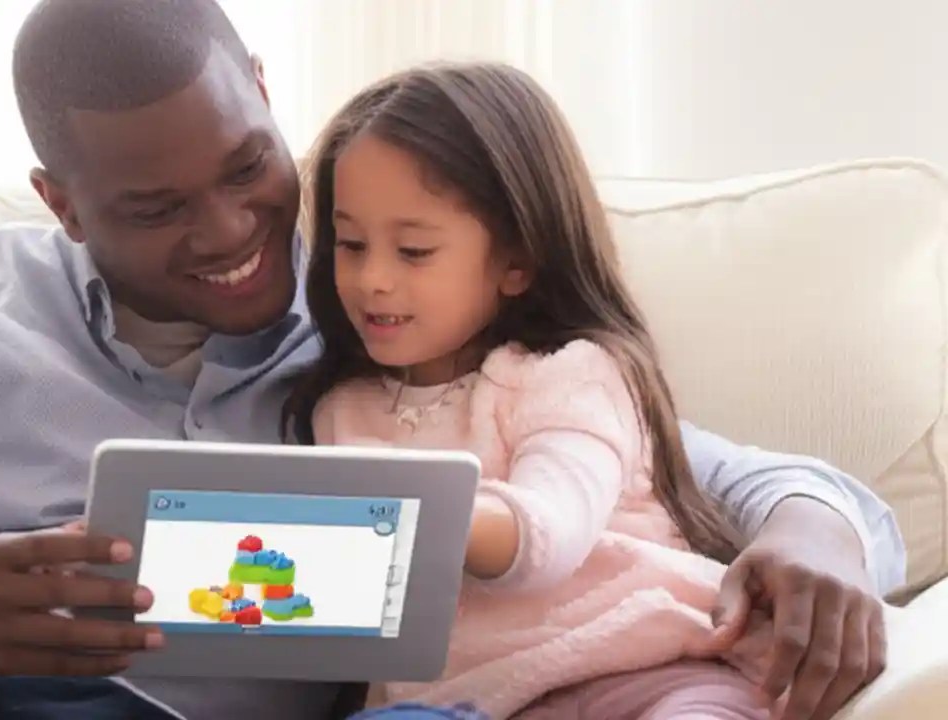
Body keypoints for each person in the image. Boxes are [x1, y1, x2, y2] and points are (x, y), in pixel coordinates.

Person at [0, 1, 902, 719]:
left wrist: (818, 538)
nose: (229, 234)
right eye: (156, 209)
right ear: (60, 202)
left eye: (247, 165)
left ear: (262, 92)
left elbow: (676, 469)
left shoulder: (391, 316)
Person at [284, 61, 838, 719]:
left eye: (414, 251)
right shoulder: (340, 411)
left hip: (647, 666)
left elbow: (550, 533)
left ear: (517, 260)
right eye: (350, 244)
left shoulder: (571, 375)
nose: (372, 278)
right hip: (474, 703)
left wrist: (407, 507)